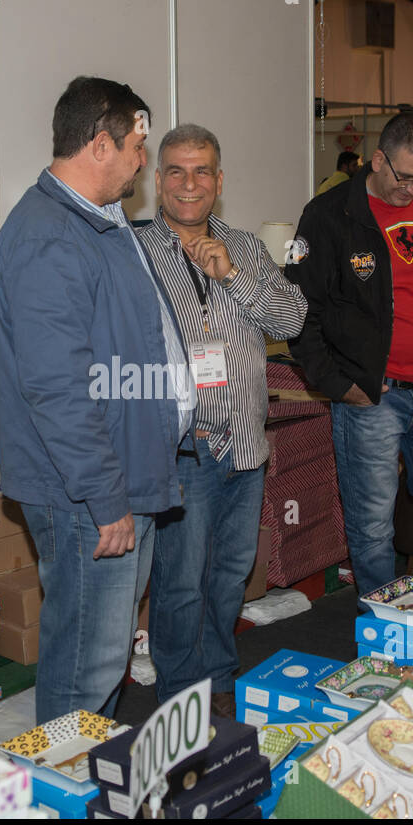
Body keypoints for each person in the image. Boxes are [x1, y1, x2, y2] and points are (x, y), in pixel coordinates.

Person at [0, 76, 195, 724]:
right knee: (87, 662)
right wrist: (106, 497)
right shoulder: (50, 235)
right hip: (90, 493)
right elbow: (57, 389)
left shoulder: (95, 221)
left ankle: (83, 774)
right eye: (138, 145)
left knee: (103, 658)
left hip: (120, 475)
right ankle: (61, 790)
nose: (145, 160)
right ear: (101, 144)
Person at [137, 125, 307, 717]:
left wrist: (232, 276)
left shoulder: (246, 247)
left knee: (231, 574)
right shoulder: (134, 254)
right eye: (177, 172)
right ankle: (179, 697)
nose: (190, 183)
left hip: (245, 446)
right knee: (180, 582)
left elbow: (290, 320)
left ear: (219, 181)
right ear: (158, 182)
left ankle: (216, 676)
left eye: (202, 171)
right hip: (188, 449)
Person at [287, 111, 413, 594]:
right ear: (377, 160)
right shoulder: (329, 214)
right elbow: (296, 310)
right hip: (371, 397)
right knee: (373, 531)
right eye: (404, 177)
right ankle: (383, 628)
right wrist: (337, 385)